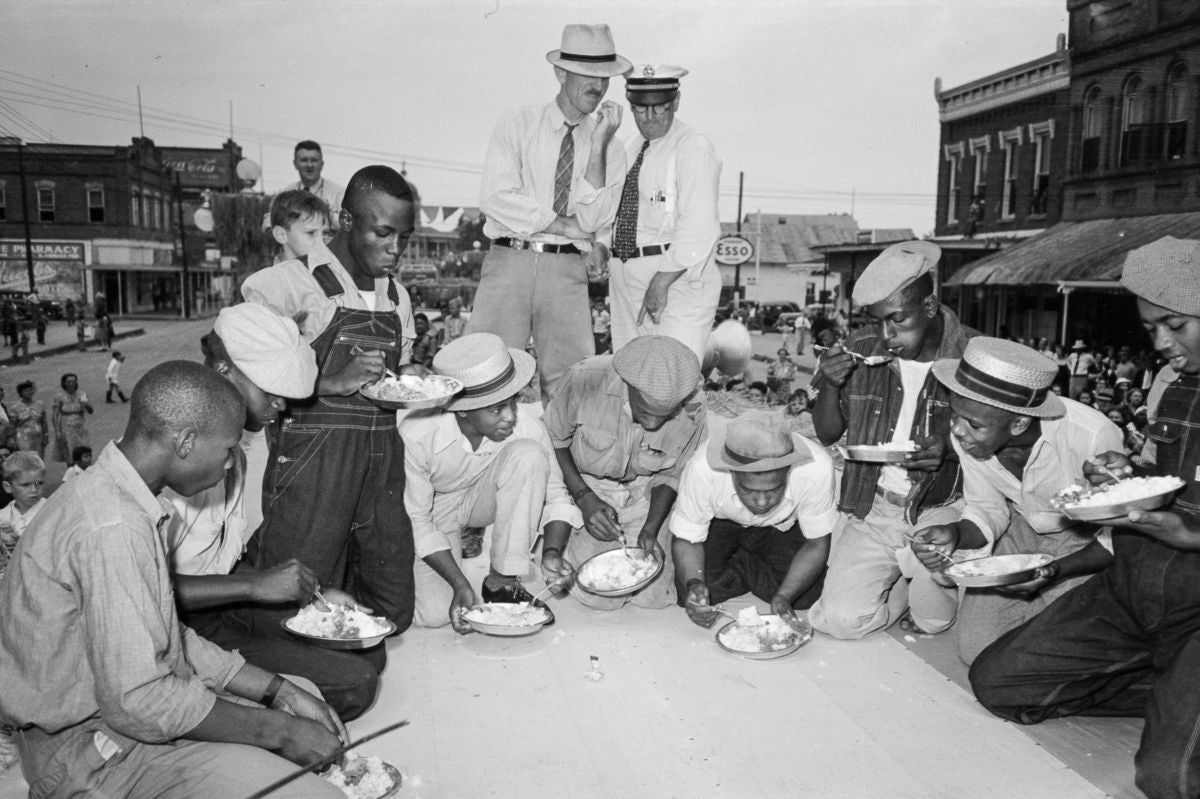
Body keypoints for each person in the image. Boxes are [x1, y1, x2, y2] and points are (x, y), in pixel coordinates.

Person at [0, 361, 347, 798]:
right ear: (185, 442)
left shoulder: (119, 494)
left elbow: (168, 638)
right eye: (226, 450)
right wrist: (276, 731)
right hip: (89, 755)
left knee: (305, 695)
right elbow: (140, 702)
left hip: (114, 720)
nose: (228, 464)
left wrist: (278, 692)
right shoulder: (113, 528)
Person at [968, 236, 1200, 799]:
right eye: (1151, 330)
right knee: (996, 683)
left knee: (1168, 780)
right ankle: (1172, 694)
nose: (1162, 342)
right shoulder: (1171, 382)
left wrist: (1190, 536)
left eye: (1175, 324)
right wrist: (1123, 473)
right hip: (1132, 586)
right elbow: (1160, 477)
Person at [160, 305, 382, 721]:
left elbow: (219, 561)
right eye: (271, 391)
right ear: (224, 372)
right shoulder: (175, 461)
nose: (281, 404)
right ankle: (212, 700)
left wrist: (313, 596)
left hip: (227, 605)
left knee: (369, 649)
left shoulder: (235, 449)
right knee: (355, 681)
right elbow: (147, 593)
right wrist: (256, 587)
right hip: (183, 628)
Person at [240, 164, 417, 631]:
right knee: (294, 606)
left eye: (403, 235)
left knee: (389, 606)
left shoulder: (397, 296)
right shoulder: (288, 284)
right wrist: (329, 382)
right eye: (383, 233)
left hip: (380, 459)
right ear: (344, 222)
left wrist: (409, 383)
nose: (395, 249)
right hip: (314, 463)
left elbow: (399, 373)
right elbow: (236, 373)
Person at [907, 337, 1123, 663]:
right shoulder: (970, 436)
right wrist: (955, 533)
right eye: (956, 416)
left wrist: (1054, 571)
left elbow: (1116, 538)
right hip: (1022, 528)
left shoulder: (1091, 434)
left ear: (1019, 422)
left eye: (974, 424)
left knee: (1052, 657)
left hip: (1084, 542)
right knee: (977, 653)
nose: (958, 432)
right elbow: (988, 509)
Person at [807, 241, 977, 638]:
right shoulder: (862, 349)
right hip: (874, 507)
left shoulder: (974, 356)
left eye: (897, 320)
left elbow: (1001, 446)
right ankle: (901, 583)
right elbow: (828, 433)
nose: (886, 335)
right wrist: (831, 385)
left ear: (930, 308)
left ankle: (920, 581)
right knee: (839, 623)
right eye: (878, 321)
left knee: (934, 624)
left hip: (942, 507)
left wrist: (950, 451)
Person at [467, 23, 630, 400]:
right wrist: (564, 225)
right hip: (510, 260)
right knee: (485, 373)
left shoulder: (612, 146)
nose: (599, 86)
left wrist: (601, 142)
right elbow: (495, 198)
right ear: (560, 72)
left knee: (571, 384)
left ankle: (564, 460)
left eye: (606, 78)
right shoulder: (517, 123)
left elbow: (592, 221)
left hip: (566, 270)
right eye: (589, 75)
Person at [401, 333, 581, 632]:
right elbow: (418, 520)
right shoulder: (417, 433)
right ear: (460, 410)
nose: (510, 417)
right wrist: (459, 584)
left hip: (482, 497)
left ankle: (502, 581)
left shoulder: (526, 427)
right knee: (433, 616)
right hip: (435, 509)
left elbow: (556, 496)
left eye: (513, 402)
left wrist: (551, 552)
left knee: (528, 455)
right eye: (496, 409)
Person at [545, 335, 706, 610]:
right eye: (645, 411)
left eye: (665, 416)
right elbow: (553, 440)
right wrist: (583, 498)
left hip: (646, 494)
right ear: (627, 385)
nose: (653, 424)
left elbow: (674, 474)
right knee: (599, 597)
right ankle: (559, 531)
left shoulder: (694, 406)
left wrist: (651, 528)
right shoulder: (585, 379)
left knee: (652, 597)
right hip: (588, 485)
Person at [672, 411, 838, 628]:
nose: (761, 502)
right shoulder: (703, 469)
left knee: (807, 596)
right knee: (692, 593)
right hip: (720, 524)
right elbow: (687, 539)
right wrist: (694, 582)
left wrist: (784, 597)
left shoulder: (816, 469)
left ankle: (742, 564)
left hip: (779, 527)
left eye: (774, 489)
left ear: (788, 470)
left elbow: (816, 544)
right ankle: (748, 564)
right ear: (731, 473)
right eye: (748, 489)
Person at [605, 64, 722, 363]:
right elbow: (612, 212)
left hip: (675, 278)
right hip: (626, 275)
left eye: (659, 109)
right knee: (631, 375)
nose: (650, 118)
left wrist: (661, 282)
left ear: (676, 102)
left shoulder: (693, 147)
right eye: (640, 110)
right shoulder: (630, 148)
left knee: (671, 378)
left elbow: (699, 225)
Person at [0, 450, 46, 561]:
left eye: (38, 483)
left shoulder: (52, 511)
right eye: (25, 485)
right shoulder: (2, 517)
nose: (34, 490)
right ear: (8, 487)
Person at [283, 140, 345, 218]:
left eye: (314, 160)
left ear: (322, 164)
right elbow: (269, 221)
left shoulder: (338, 194)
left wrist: (328, 214)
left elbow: (348, 226)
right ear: (295, 164)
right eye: (304, 160)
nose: (309, 165)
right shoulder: (287, 193)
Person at [269, 188, 333, 261]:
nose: (322, 243)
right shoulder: (272, 272)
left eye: (325, 233)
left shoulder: (329, 268)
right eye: (311, 233)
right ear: (281, 235)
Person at [50, 372, 93, 464]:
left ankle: (83, 470)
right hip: (66, 427)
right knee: (69, 450)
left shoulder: (82, 394)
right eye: (69, 382)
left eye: (74, 382)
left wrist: (86, 405)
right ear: (64, 383)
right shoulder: (59, 397)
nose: (72, 384)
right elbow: (55, 415)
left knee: (83, 449)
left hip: (80, 426)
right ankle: (71, 471)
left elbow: (91, 411)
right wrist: (57, 431)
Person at [11, 380, 47, 458]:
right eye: (26, 391)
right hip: (23, 438)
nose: (29, 392)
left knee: (39, 459)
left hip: (38, 438)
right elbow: (12, 426)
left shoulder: (40, 404)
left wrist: (45, 436)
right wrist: (13, 440)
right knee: (26, 459)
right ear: (21, 393)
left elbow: (44, 421)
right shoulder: (15, 407)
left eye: (30, 390)